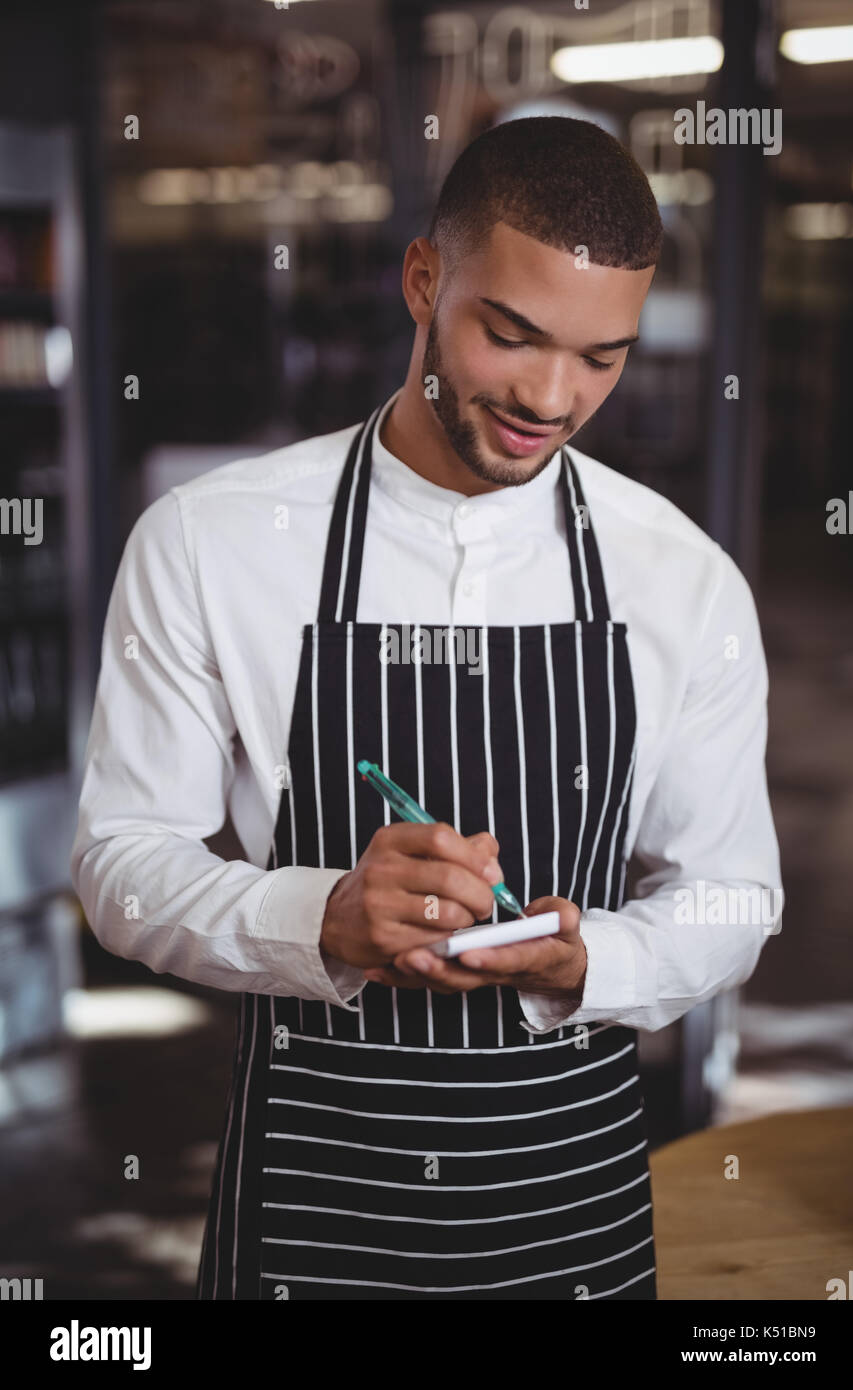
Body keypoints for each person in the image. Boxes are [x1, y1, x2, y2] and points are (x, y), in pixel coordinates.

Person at [70, 116, 783, 1301]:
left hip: (572, 1219)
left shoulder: (681, 577)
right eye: (511, 335)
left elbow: (733, 892)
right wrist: (324, 916)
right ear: (421, 281)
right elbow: (119, 863)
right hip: (311, 1215)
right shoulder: (212, 542)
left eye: (601, 358)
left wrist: (585, 958)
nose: (551, 398)